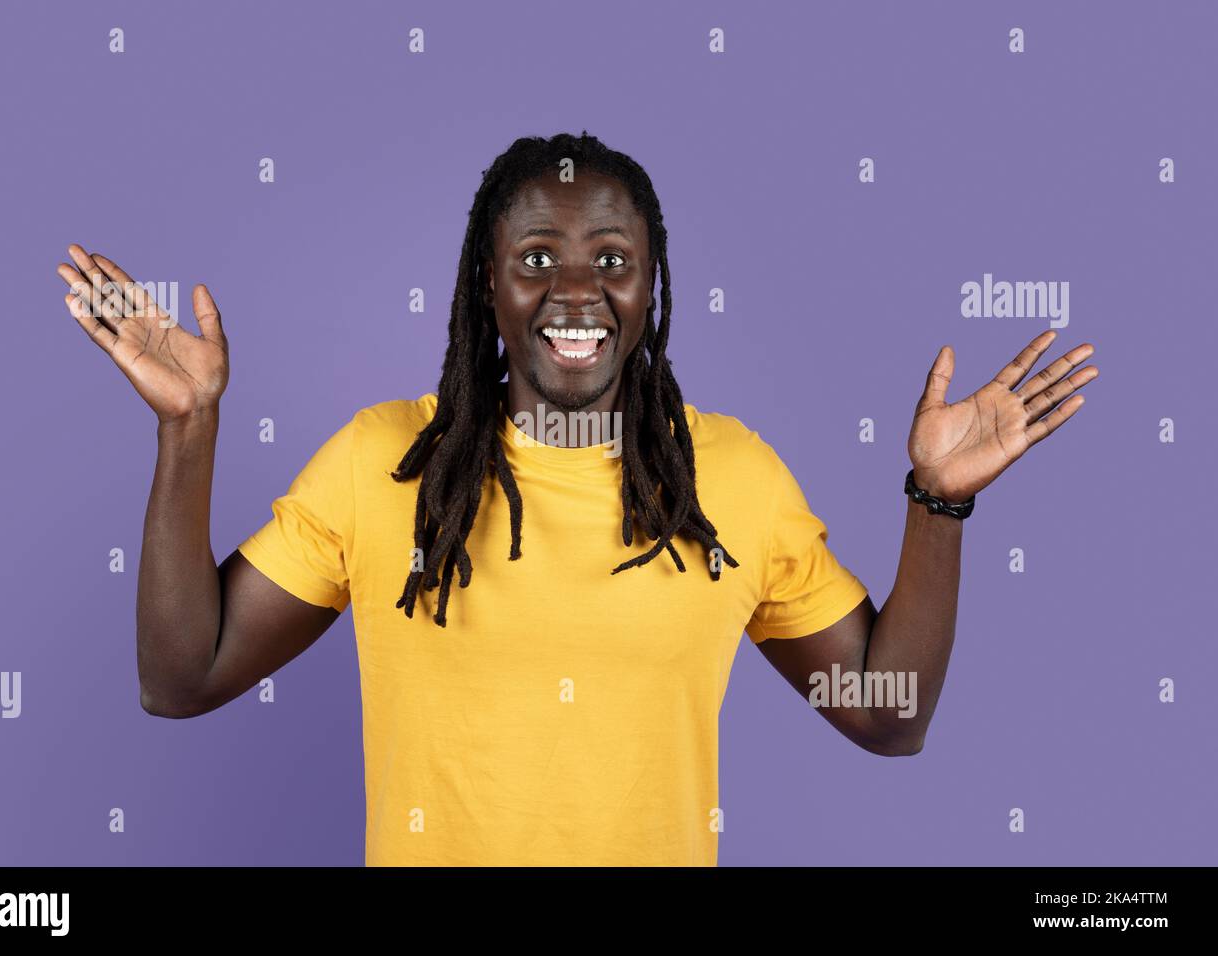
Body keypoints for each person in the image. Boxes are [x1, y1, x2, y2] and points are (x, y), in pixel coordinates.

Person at [56, 131, 1098, 866]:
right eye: (536, 259)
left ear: (651, 289)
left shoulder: (729, 476)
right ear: (487, 287)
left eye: (612, 261)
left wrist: (936, 502)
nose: (575, 292)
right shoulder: (385, 462)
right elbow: (180, 678)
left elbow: (886, 716)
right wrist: (187, 428)